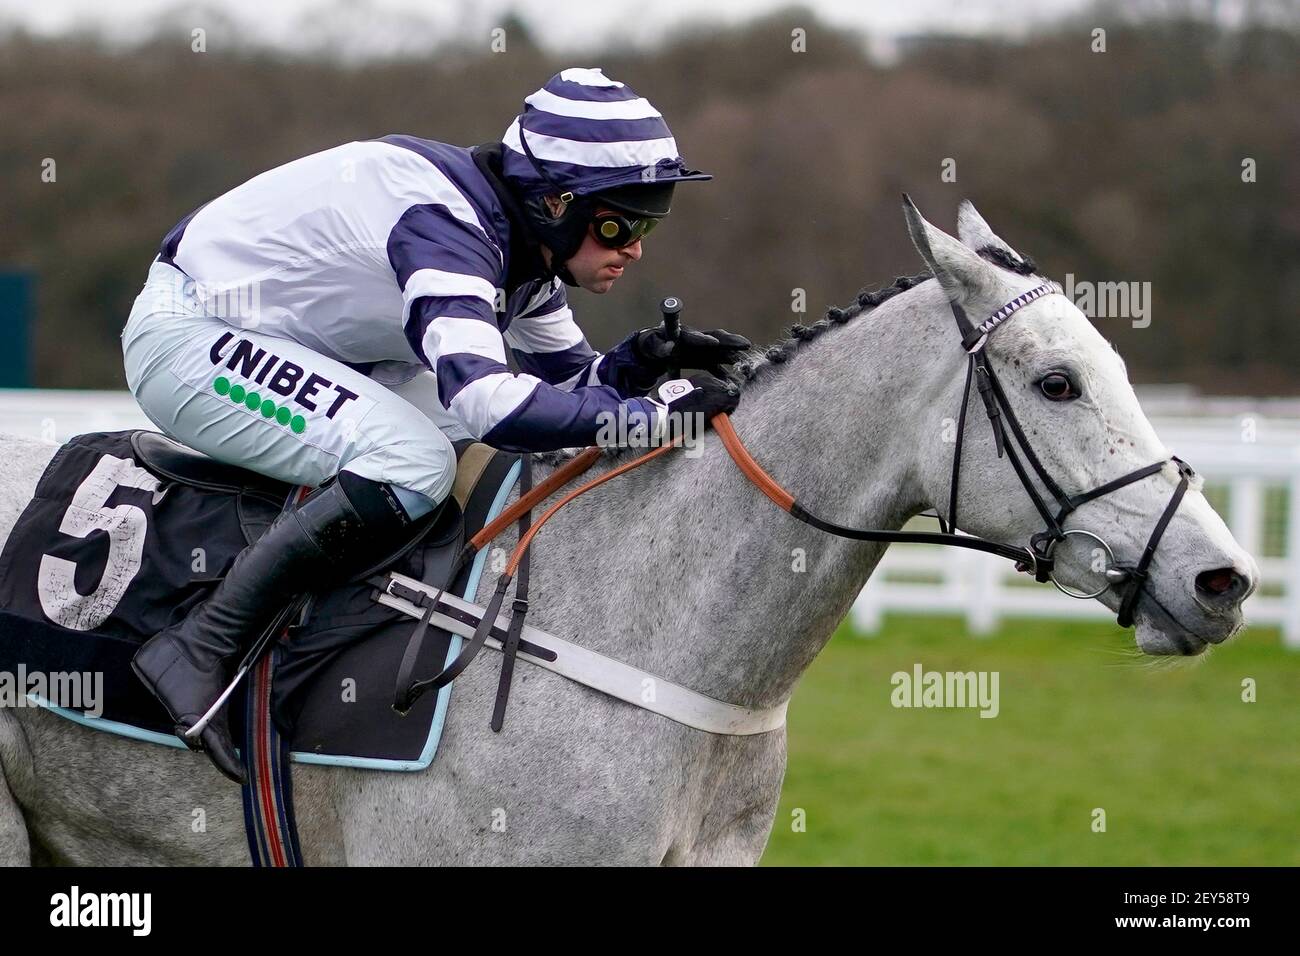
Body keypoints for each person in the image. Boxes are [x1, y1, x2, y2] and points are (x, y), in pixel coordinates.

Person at [120, 66, 751, 783]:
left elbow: (568, 387)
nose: (634, 247)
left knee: (448, 447)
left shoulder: (527, 254)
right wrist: (647, 419)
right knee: (414, 462)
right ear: (554, 203)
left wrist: (638, 364)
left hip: (306, 347)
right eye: (619, 224)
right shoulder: (446, 227)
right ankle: (200, 645)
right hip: (191, 338)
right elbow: (492, 402)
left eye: (647, 225)